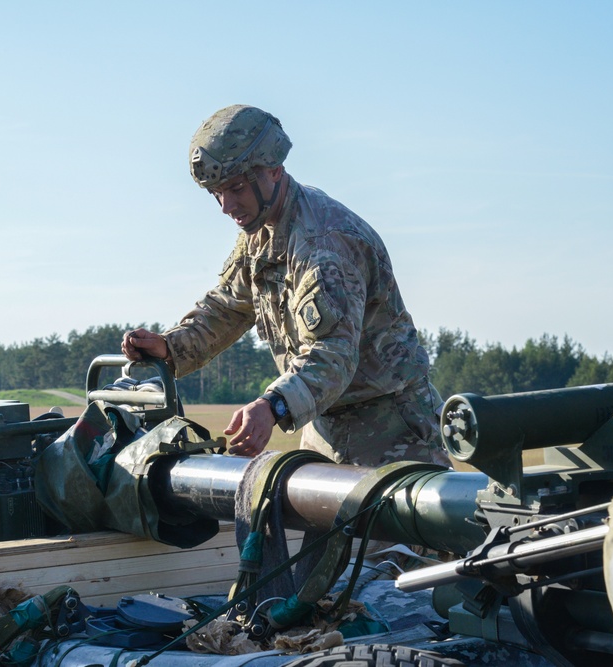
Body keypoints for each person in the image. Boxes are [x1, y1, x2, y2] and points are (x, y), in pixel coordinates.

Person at [122, 105, 448, 469]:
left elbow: (332, 355)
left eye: (235, 187)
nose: (226, 206)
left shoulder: (324, 245)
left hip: (391, 432)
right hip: (324, 425)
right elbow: (228, 307)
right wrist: (170, 347)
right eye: (216, 192)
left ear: (274, 170)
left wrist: (273, 406)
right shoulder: (262, 232)